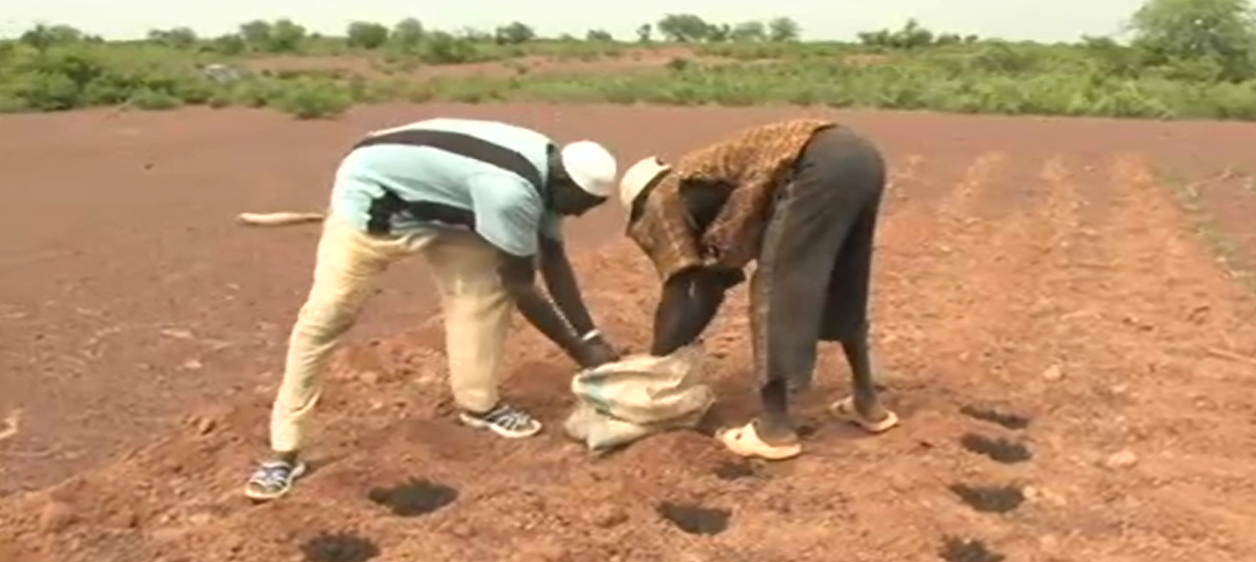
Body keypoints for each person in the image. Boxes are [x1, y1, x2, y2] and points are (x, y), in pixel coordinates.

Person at [243, 117, 621, 501]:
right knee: (326, 318)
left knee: (482, 295)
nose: (580, 215)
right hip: (375, 206)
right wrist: (580, 353)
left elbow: (554, 260)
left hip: (453, 213)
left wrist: (591, 336)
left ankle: (479, 406)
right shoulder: (510, 193)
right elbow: (524, 285)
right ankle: (284, 453)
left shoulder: (550, 170)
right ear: (563, 185)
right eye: (583, 206)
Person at [617, 118, 898, 461]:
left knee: (775, 289)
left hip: (815, 165)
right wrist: (681, 345)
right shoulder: (700, 177)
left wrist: (657, 363)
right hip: (859, 156)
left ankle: (774, 429)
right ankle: (867, 403)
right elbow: (709, 286)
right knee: (845, 283)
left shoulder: (663, 200)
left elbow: (681, 284)